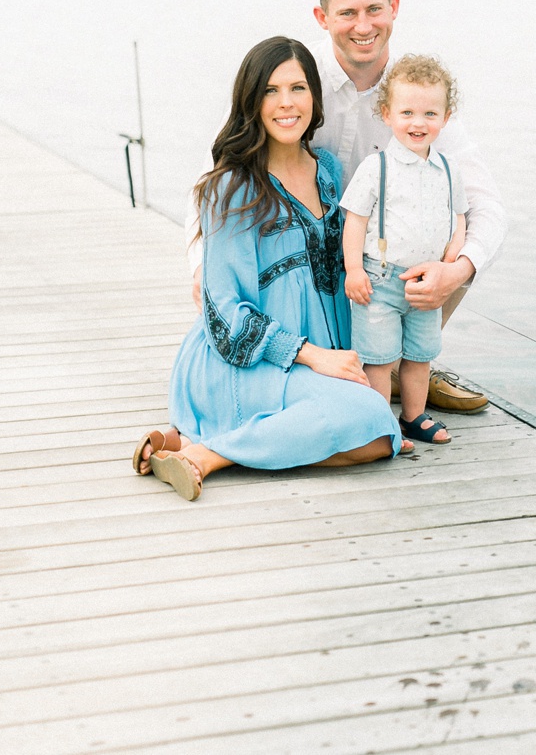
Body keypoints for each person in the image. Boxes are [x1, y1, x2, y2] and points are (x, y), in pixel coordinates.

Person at [187, 0, 507, 413]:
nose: (363, 25)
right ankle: (333, 367)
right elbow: (212, 175)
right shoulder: (293, 80)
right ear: (322, 17)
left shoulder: (417, 97)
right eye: (347, 13)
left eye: (374, 9)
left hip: (390, 269)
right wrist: (201, 266)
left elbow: (489, 207)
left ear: (394, 7)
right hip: (306, 266)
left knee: (454, 240)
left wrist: (456, 272)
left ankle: (407, 366)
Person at [135, 36, 402, 500]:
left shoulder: (330, 173)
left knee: (379, 428)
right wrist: (314, 355)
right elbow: (223, 315)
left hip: (319, 360)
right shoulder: (232, 188)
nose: (286, 104)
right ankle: (208, 455)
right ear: (251, 101)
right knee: (374, 426)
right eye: (270, 91)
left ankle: (191, 442)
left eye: (298, 88)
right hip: (241, 361)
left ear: (314, 97)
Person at [341, 54, 468, 445]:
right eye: (407, 112)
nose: (418, 123)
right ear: (387, 114)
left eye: (430, 113)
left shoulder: (448, 169)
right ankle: (379, 423)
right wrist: (354, 271)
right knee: (379, 360)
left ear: (446, 117)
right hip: (379, 280)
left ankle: (413, 416)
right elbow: (356, 221)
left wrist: (450, 259)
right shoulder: (376, 167)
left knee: (419, 355)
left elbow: (459, 216)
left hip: (425, 284)